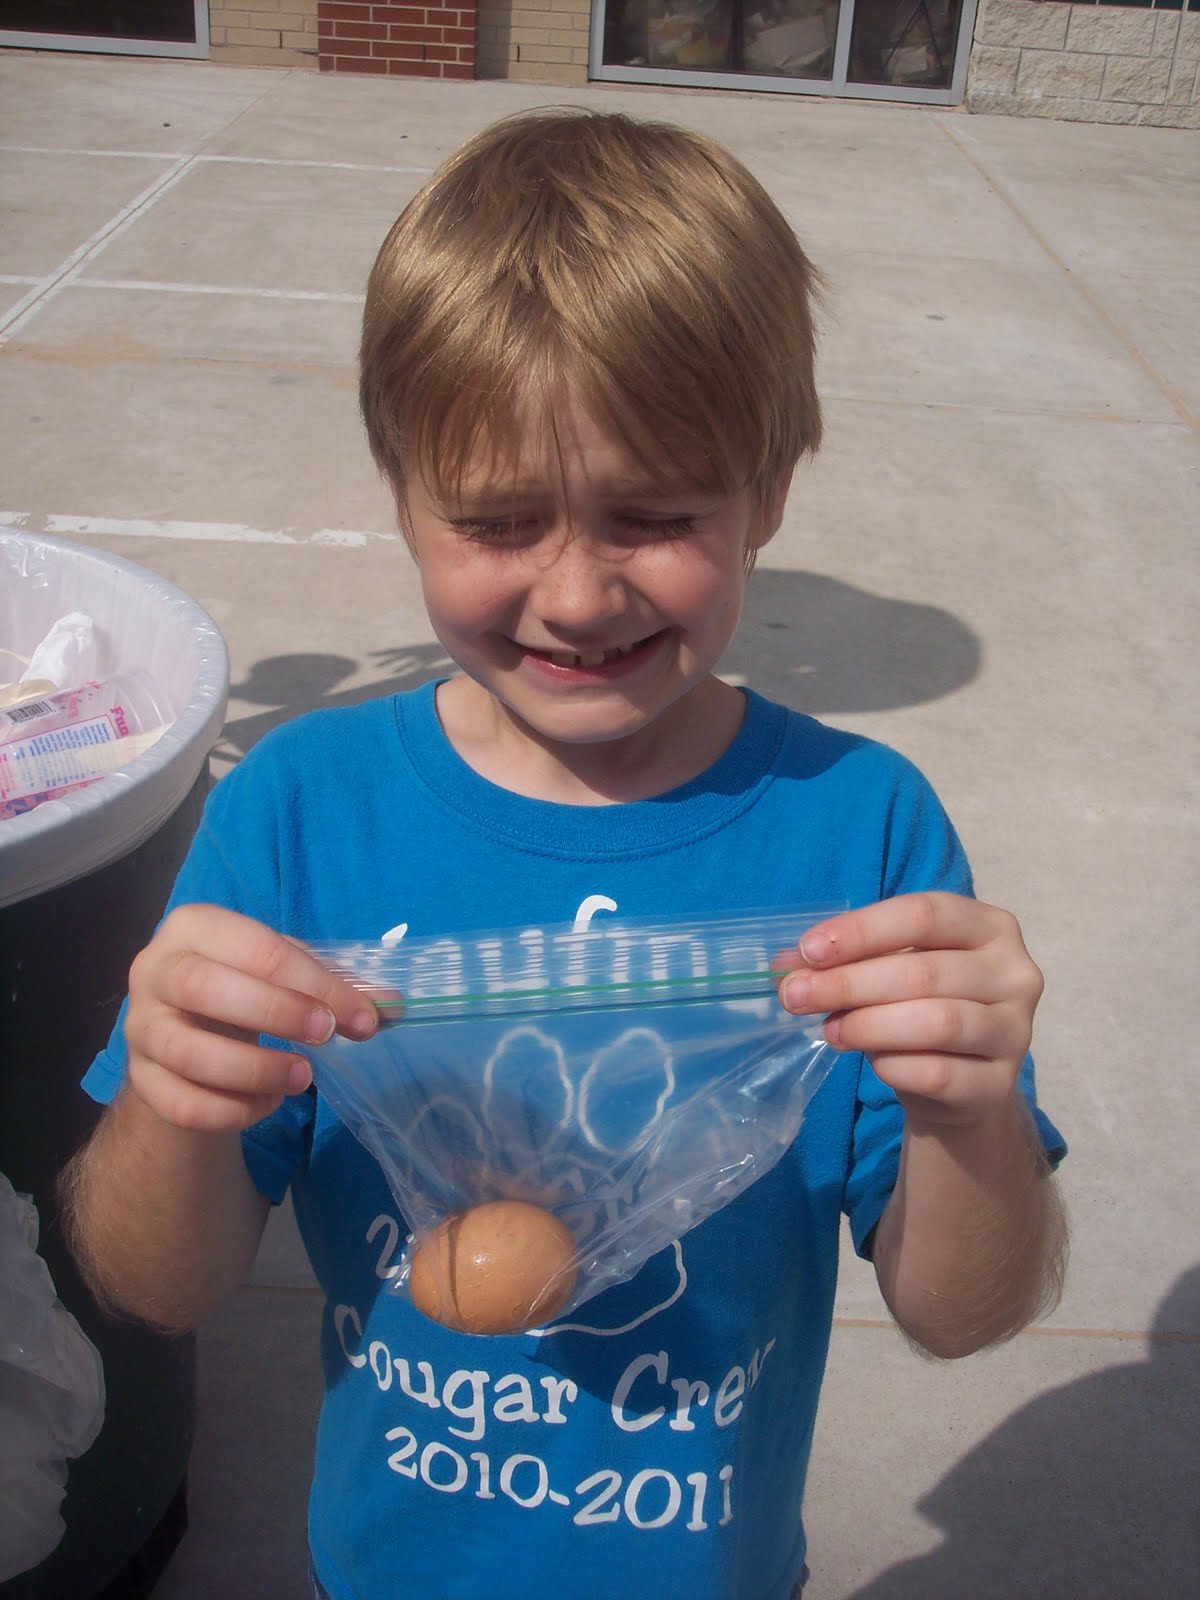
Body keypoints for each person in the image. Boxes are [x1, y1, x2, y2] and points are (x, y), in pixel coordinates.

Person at [60, 108, 1067, 1600]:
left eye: (657, 515)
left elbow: (961, 1310)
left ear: (771, 491)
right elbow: (157, 1280)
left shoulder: (860, 827)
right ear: (400, 493)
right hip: (386, 1566)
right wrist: (169, 1101)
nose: (580, 594)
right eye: (496, 519)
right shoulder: (299, 811)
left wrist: (973, 1121)